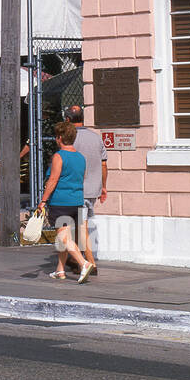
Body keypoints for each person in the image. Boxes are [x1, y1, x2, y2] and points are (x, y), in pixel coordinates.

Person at [39, 121, 93, 282]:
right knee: (66, 236)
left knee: (63, 238)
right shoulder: (80, 157)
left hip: (60, 201)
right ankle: (60, 270)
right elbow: (81, 178)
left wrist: (43, 200)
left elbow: (53, 180)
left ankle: (83, 263)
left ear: (59, 138)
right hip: (76, 200)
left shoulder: (59, 156)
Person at [63, 105, 107, 276]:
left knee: (79, 225)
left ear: (67, 119)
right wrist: (103, 186)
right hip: (93, 188)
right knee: (77, 224)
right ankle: (74, 259)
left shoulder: (70, 138)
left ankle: (89, 262)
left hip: (76, 188)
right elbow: (104, 164)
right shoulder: (96, 138)